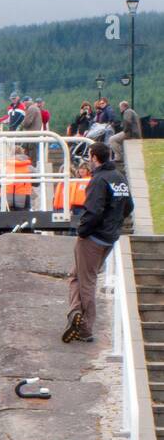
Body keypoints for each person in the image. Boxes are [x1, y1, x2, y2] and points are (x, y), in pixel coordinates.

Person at [62, 141, 133, 342]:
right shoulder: (119, 178)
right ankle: (75, 312)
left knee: (86, 281)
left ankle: (85, 328)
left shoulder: (98, 180)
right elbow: (129, 206)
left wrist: (82, 231)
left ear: (94, 158)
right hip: (109, 238)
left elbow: (93, 211)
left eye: (90, 157)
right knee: (76, 275)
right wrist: (115, 223)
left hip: (93, 238)